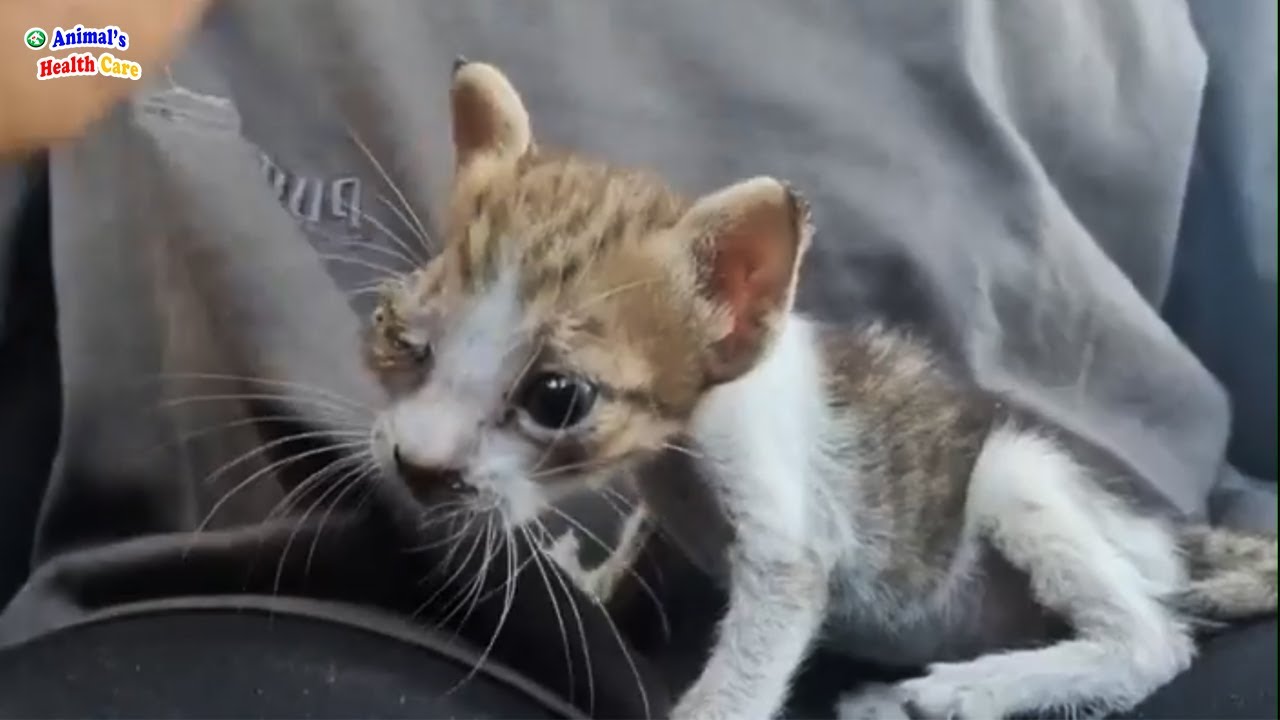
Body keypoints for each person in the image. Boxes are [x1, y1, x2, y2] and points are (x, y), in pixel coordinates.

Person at [0, 1, 1275, 718]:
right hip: (221, 643)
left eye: (550, 398)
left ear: (734, 309)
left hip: (1076, 603)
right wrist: (71, 40)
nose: (421, 445)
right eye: (411, 341)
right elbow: (48, 55)